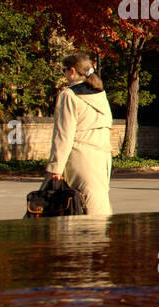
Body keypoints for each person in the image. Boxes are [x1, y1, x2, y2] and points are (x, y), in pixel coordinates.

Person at [46, 52, 114, 216]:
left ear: (72, 71)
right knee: (98, 201)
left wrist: (56, 167)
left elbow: (64, 134)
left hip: (81, 155)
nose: (64, 74)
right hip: (102, 157)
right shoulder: (99, 94)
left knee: (84, 205)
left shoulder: (69, 95)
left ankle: (88, 240)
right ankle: (101, 239)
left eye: (64, 70)